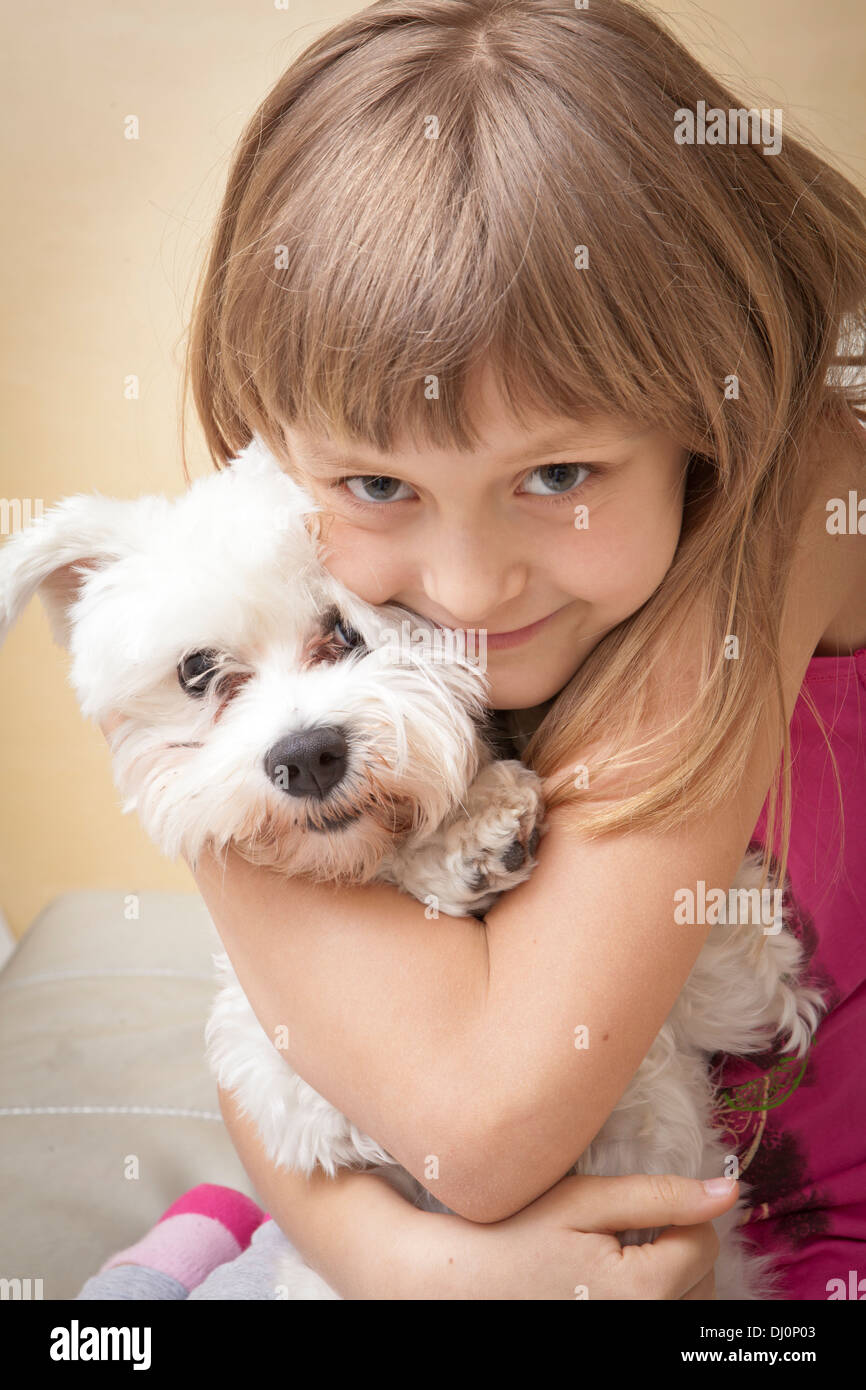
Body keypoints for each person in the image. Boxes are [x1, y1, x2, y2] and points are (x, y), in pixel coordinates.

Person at [106, 0, 866, 1298]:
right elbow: (300, 1029)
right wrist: (383, 1249)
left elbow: (475, 1118)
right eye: (378, 483)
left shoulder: (792, 498)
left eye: (556, 471)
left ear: (710, 402)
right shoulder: (325, 620)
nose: (465, 589)